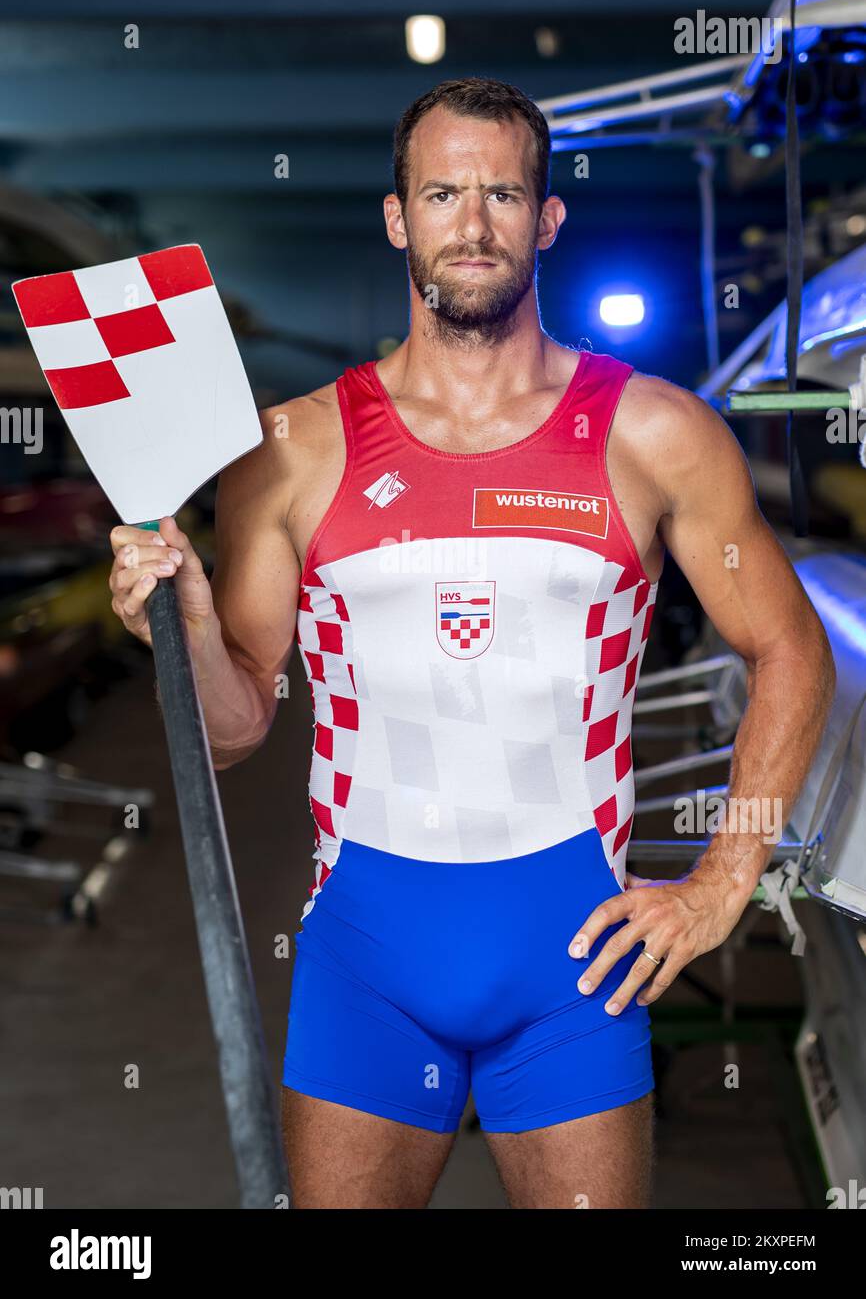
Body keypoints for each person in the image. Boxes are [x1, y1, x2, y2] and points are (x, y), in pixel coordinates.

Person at [108, 77, 835, 1209]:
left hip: (574, 966)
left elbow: (792, 649)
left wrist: (720, 882)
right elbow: (237, 726)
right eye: (442, 192)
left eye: (503, 193)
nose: (474, 222)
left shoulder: (652, 432)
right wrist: (189, 630)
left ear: (546, 219)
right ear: (399, 218)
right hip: (365, 960)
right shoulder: (290, 450)